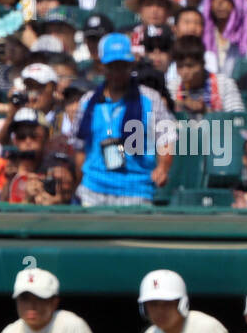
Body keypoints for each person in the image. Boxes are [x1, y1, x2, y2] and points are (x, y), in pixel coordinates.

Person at [73, 34, 176, 207]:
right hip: (93, 190)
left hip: (136, 190)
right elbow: (79, 148)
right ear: (102, 66)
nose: (117, 72)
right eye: (112, 66)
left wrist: (162, 168)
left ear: (131, 65)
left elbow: (166, 139)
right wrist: (82, 179)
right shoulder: (87, 102)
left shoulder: (150, 99)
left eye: (122, 66)